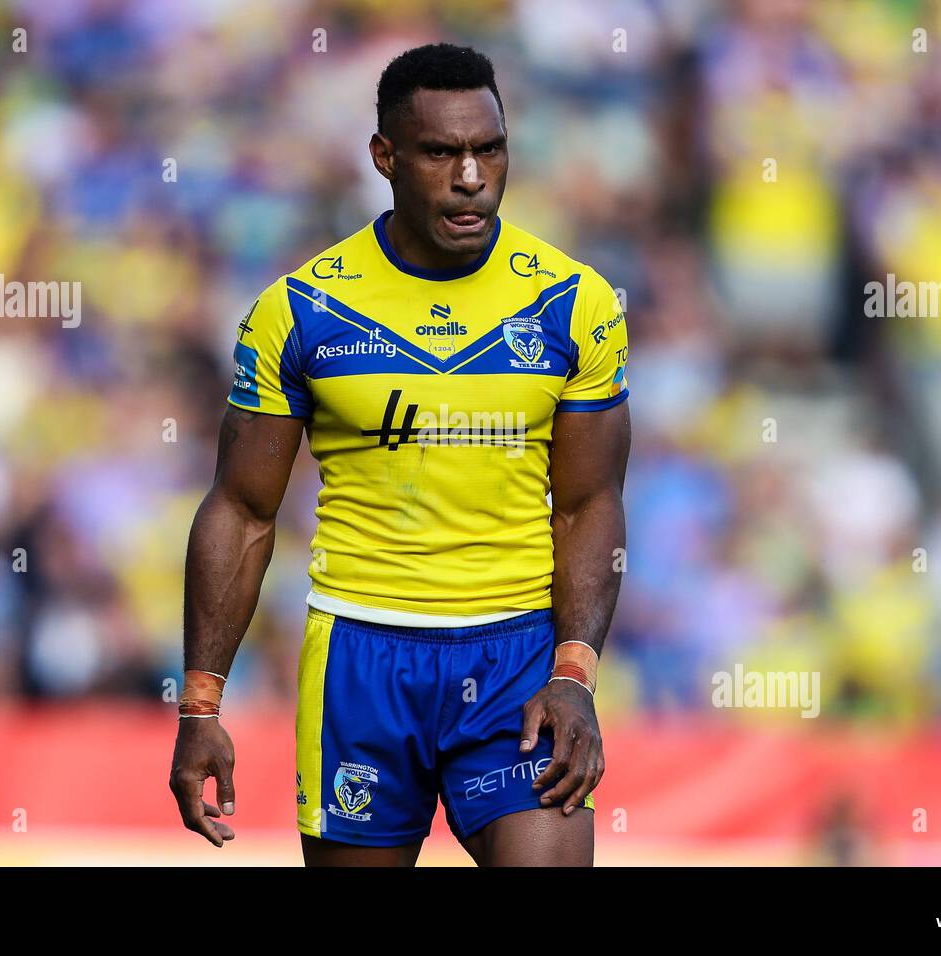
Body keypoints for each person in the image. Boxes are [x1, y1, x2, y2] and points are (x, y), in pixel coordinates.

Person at [169, 42, 630, 866]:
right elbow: (242, 509)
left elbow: (589, 503)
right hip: (362, 660)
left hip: (518, 658)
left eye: (489, 150)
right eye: (440, 152)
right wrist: (200, 706)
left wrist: (575, 671)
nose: (469, 177)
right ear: (384, 157)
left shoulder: (572, 302)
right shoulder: (302, 311)